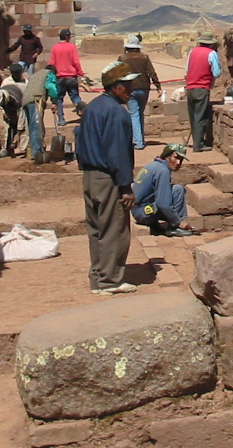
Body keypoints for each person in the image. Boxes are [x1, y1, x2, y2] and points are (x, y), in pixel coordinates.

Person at [75, 61, 141, 294]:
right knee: (115, 230)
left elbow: (79, 141)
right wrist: (125, 186)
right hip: (109, 179)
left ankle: (98, 276)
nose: (130, 90)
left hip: (90, 176)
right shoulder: (117, 114)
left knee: (97, 229)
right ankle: (109, 280)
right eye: (126, 85)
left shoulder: (93, 107)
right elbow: (118, 153)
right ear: (115, 87)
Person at [131, 143, 195, 237]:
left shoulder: (155, 165)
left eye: (181, 160)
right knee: (178, 190)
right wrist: (178, 222)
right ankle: (175, 228)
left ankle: (162, 225)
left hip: (138, 210)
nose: (178, 163)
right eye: (176, 158)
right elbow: (163, 203)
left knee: (175, 189)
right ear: (167, 156)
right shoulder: (163, 171)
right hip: (143, 213)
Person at [117, 34, 162, 150]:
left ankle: (138, 142)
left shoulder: (122, 58)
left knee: (134, 115)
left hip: (130, 89)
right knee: (139, 114)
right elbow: (152, 73)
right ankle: (140, 138)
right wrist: (158, 86)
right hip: (144, 89)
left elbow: (117, 74)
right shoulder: (145, 57)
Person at [185, 32, 221, 152]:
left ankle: (197, 140)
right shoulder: (211, 53)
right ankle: (198, 145)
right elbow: (216, 72)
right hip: (202, 88)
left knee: (193, 116)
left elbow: (187, 69)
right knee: (200, 116)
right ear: (210, 44)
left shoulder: (192, 52)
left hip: (190, 88)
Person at [49, 27, 85, 126]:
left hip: (59, 77)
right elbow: (76, 61)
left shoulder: (55, 48)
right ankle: (84, 114)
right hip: (71, 76)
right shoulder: (71, 47)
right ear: (67, 37)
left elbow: (51, 63)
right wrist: (80, 72)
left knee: (59, 98)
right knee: (75, 97)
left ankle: (61, 119)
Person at [20, 64, 53, 163]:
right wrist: (55, 101)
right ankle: (37, 153)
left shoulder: (35, 75)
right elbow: (51, 87)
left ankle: (34, 149)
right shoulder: (49, 74)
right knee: (36, 126)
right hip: (36, 101)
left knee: (32, 127)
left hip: (26, 101)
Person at [0, 64, 25, 157]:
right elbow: (0, 104)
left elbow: (21, 113)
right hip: (8, 109)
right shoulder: (6, 83)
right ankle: (8, 149)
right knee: (8, 129)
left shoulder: (24, 83)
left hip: (21, 107)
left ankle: (23, 149)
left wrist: (19, 131)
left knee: (23, 129)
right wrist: (4, 112)